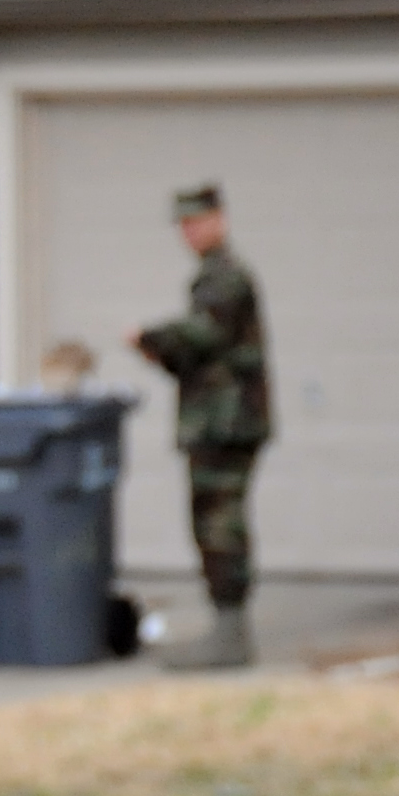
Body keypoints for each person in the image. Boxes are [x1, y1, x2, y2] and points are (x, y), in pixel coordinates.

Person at [132, 183, 272, 670]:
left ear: (219, 220)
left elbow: (203, 338)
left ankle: (230, 635)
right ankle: (226, 628)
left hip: (225, 424)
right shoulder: (213, 277)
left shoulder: (224, 278)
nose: (189, 232)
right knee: (213, 521)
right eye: (184, 225)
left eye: (197, 221)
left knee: (219, 524)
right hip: (217, 421)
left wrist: (153, 338)